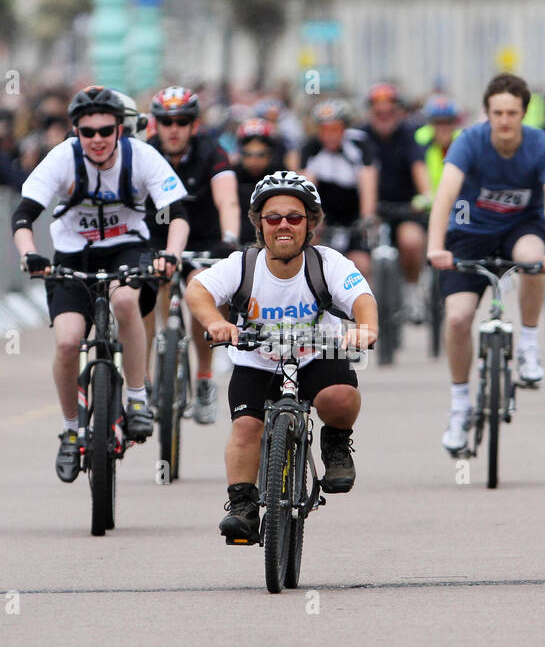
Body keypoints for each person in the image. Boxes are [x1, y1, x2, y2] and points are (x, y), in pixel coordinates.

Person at [186, 171, 378, 544]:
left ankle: (336, 444)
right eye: (273, 218)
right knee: (246, 427)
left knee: (337, 397)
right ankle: (242, 506)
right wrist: (216, 323)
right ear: (260, 224)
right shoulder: (244, 265)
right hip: (258, 362)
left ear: (311, 225)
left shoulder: (327, 264)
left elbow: (362, 300)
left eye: (294, 217)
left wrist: (365, 328)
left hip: (318, 357)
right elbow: (197, 290)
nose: (284, 226)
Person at [11, 85, 190, 482]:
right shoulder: (62, 158)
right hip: (73, 256)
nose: (96, 140)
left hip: (127, 248)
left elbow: (177, 213)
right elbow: (23, 215)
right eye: (87, 132)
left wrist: (171, 256)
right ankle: (72, 429)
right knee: (67, 341)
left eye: (105, 131)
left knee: (126, 301)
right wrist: (29, 255)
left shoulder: (142, 156)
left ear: (120, 131)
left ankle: (138, 399)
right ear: (76, 131)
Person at [426, 72, 545, 455]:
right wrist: (435, 247)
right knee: (457, 318)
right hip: (469, 234)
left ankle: (526, 343)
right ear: (486, 112)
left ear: (524, 113)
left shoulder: (542, 146)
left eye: (512, 112)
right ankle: (460, 405)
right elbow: (445, 195)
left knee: (533, 260)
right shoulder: (469, 141)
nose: (504, 120)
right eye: (497, 112)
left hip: (520, 228)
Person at [146, 85, 241, 425]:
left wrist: (229, 238)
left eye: (182, 121)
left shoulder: (211, 151)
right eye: (166, 122)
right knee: (146, 290)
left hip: (205, 238)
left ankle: (203, 379)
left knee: (201, 292)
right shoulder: (145, 152)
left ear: (194, 126)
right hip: (156, 236)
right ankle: (144, 383)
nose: (174, 129)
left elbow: (227, 199)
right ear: (155, 124)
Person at [359, 82, 430, 320]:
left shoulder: (409, 134)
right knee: (360, 255)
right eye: (378, 112)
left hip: (406, 208)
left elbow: (419, 167)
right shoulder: (360, 136)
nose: (384, 116)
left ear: (398, 111)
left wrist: (425, 196)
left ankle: (412, 291)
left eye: (390, 111)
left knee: (411, 242)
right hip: (371, 209)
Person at [298, 99, 378, 279]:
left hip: (353, 213)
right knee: (309, 256)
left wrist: (367, 216)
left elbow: (368, 181)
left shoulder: (359, 144)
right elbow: (306, 187)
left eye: (335, 129)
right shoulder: (310, 148)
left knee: (361, 264)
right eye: (324, 130)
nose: (330, 136)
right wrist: (312, 217)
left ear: (344, 128)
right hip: (325, 211)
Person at [233, 118, 285, 248]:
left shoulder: (282, 177)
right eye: (248, 155)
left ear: (270, 154)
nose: (253, 161)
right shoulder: (231, 176)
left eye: (260, 155)